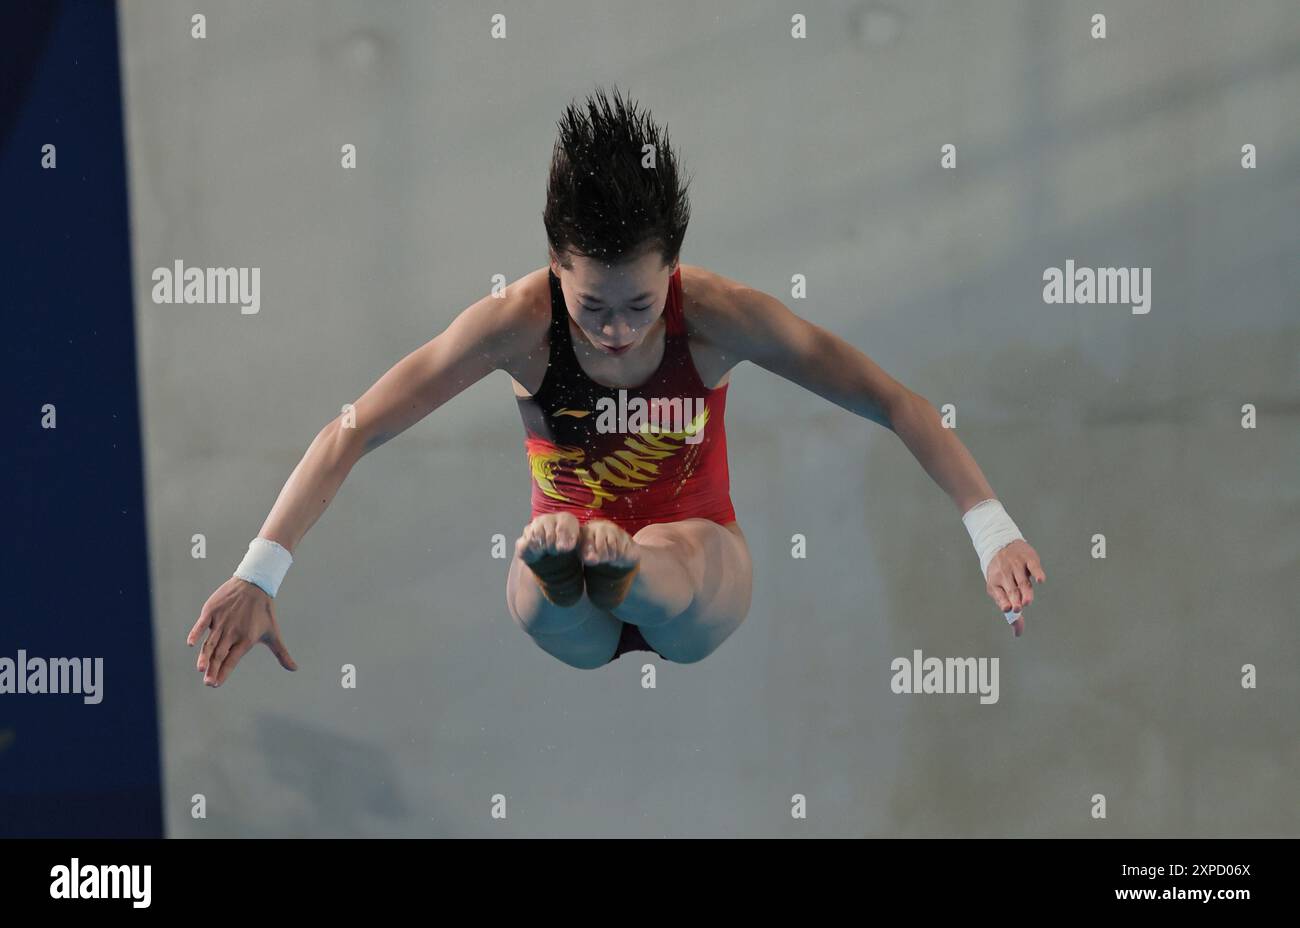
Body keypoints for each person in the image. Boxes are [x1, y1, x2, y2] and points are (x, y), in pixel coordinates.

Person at [189, 87, 1046, 684]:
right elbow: (354, 429)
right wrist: (258, 573)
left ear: (673, 266)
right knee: (534, 580)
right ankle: (578, 567)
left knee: (679, 558)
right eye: (591, 304)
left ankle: (617, 562)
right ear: (554, 267)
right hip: (565, 594)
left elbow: (895, 403)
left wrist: (991, 527)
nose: (617, 328)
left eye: (640, 303)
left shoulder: (721, 317)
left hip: (699, 566)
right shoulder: (514, 324)